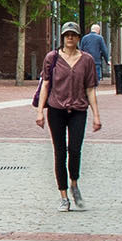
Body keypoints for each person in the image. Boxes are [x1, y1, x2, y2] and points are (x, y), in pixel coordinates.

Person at [33, 21, 102, 211]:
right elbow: (45, 85)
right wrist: (40, 112)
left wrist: (96, 115)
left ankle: (74, 183)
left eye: (73, 35)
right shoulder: (52, 58)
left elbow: (90, 89)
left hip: (78, 109)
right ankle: (63, 196)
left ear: (79, 38)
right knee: (59, 152)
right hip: (56, 109)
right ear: (62, 37)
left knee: (75, 150)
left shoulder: (86, 60)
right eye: (66, 35)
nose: (70, 38)